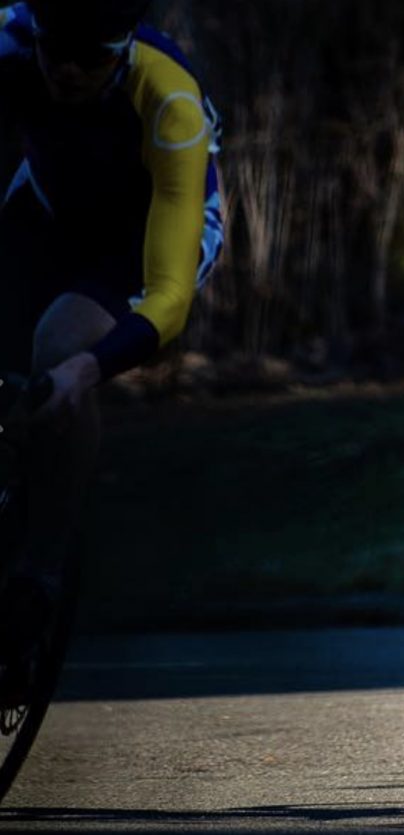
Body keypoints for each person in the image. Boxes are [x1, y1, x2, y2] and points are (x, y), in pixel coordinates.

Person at [0, 0, 223, 696]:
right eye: (54, 50)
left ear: (122, 50)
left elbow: (168, 301)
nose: (67, 71)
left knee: (59, 343)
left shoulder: (169, 98)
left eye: (91, 58)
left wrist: (86, 368)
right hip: (50, 207)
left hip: (148, 237)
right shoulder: (7, 38)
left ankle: (41, 571)